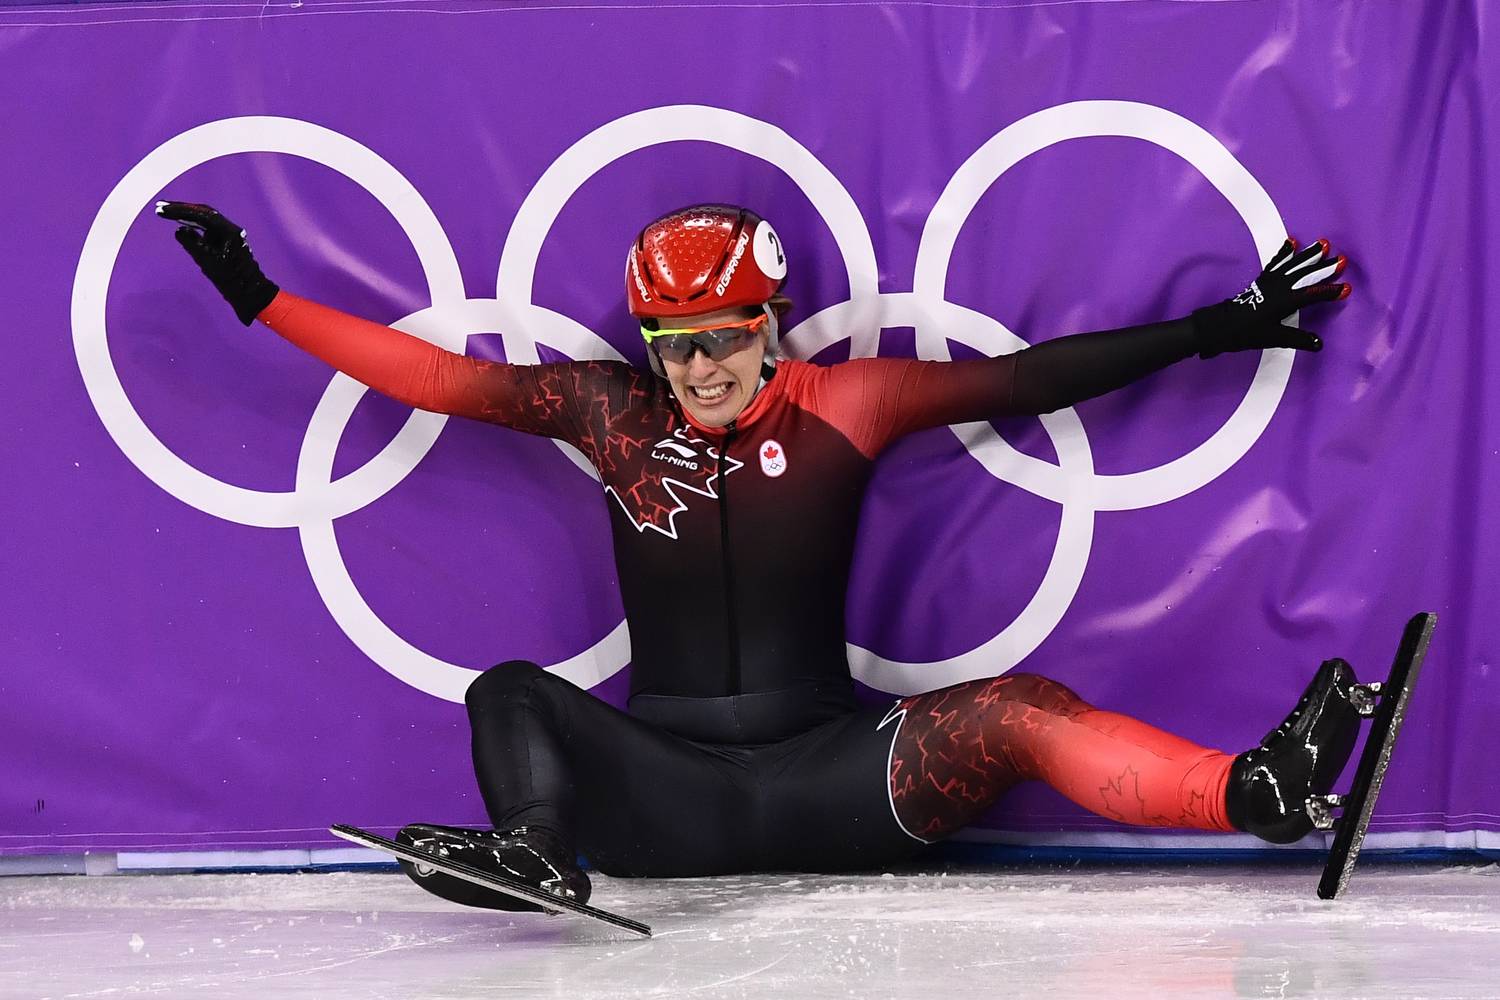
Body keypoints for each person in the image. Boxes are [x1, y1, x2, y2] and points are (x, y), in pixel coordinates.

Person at [157, 199, 1359, 911]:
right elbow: (440, 378)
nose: (697, 373)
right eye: (673, 348)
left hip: (838, 786)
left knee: (1017, 710)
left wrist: (1224, 326)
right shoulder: (606, 411)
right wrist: (264, 299)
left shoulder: (855, 400)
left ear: (769, 328)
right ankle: (534, 852)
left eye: (721, 342)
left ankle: (1250, 793)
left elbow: (1032, 376)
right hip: (656, 804)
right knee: (510, 691)